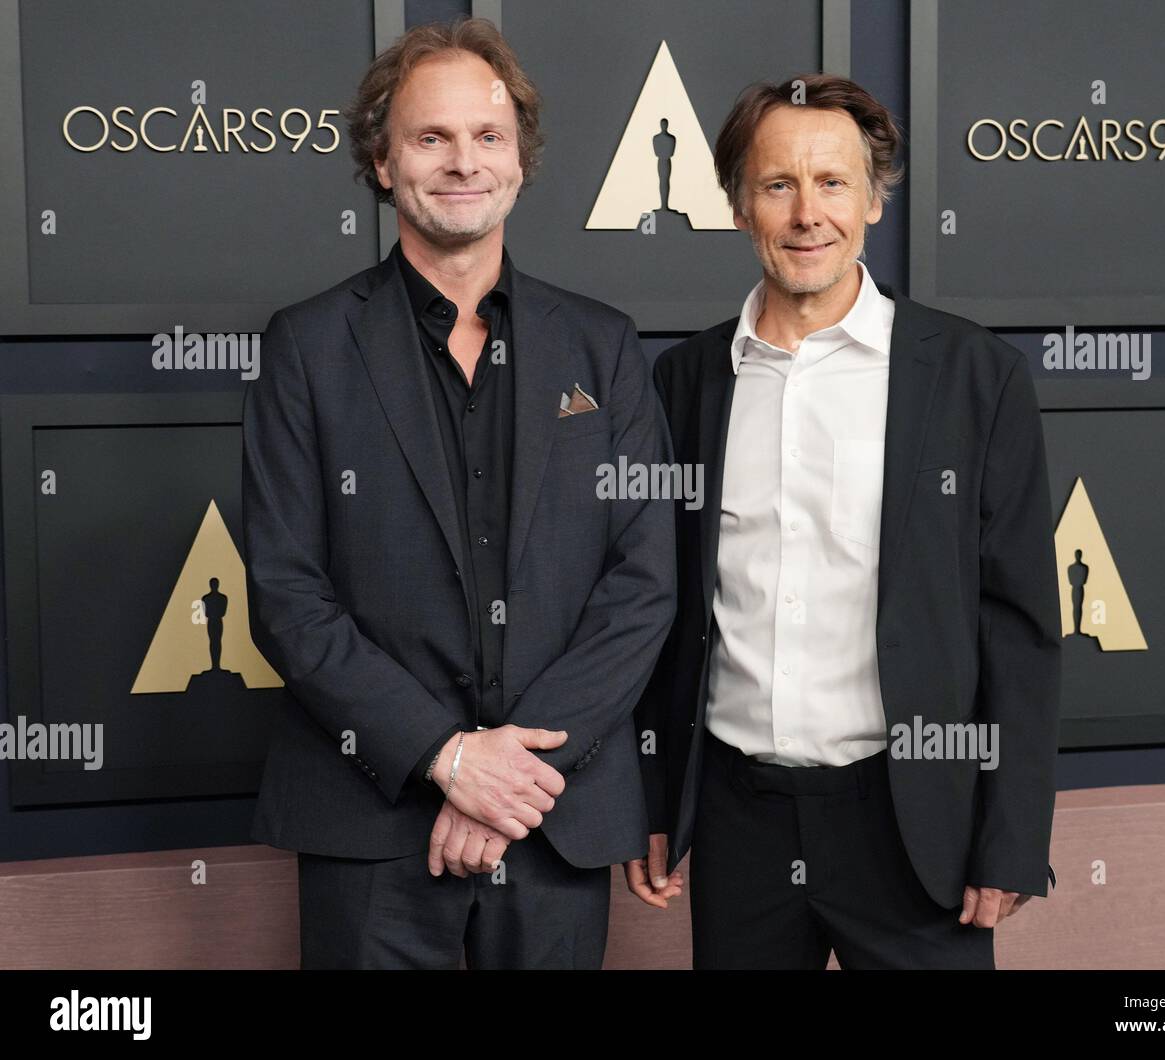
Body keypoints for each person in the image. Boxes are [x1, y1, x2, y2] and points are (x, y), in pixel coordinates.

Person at [242, 17, 675, 969]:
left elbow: (640, 588)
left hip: (552, 826)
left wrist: (513, 778)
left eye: (487, 136)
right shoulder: (306, 347)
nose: (462, 161)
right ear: (383, 162)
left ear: (521, 160)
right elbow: (286, 593)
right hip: (372, 821)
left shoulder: (603, 345)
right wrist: (447, 758)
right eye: (430, 137)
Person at [625, 74, 1060, 969]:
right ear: (741, 205)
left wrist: (1011, 836)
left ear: (874, 198)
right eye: (778, 184)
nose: (805, 214)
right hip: (740, 820)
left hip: (911, 824)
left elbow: (1018, 627)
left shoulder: (974, 377)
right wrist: (655, 800)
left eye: (832, 183)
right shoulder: (685, 383)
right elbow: (659, 613)